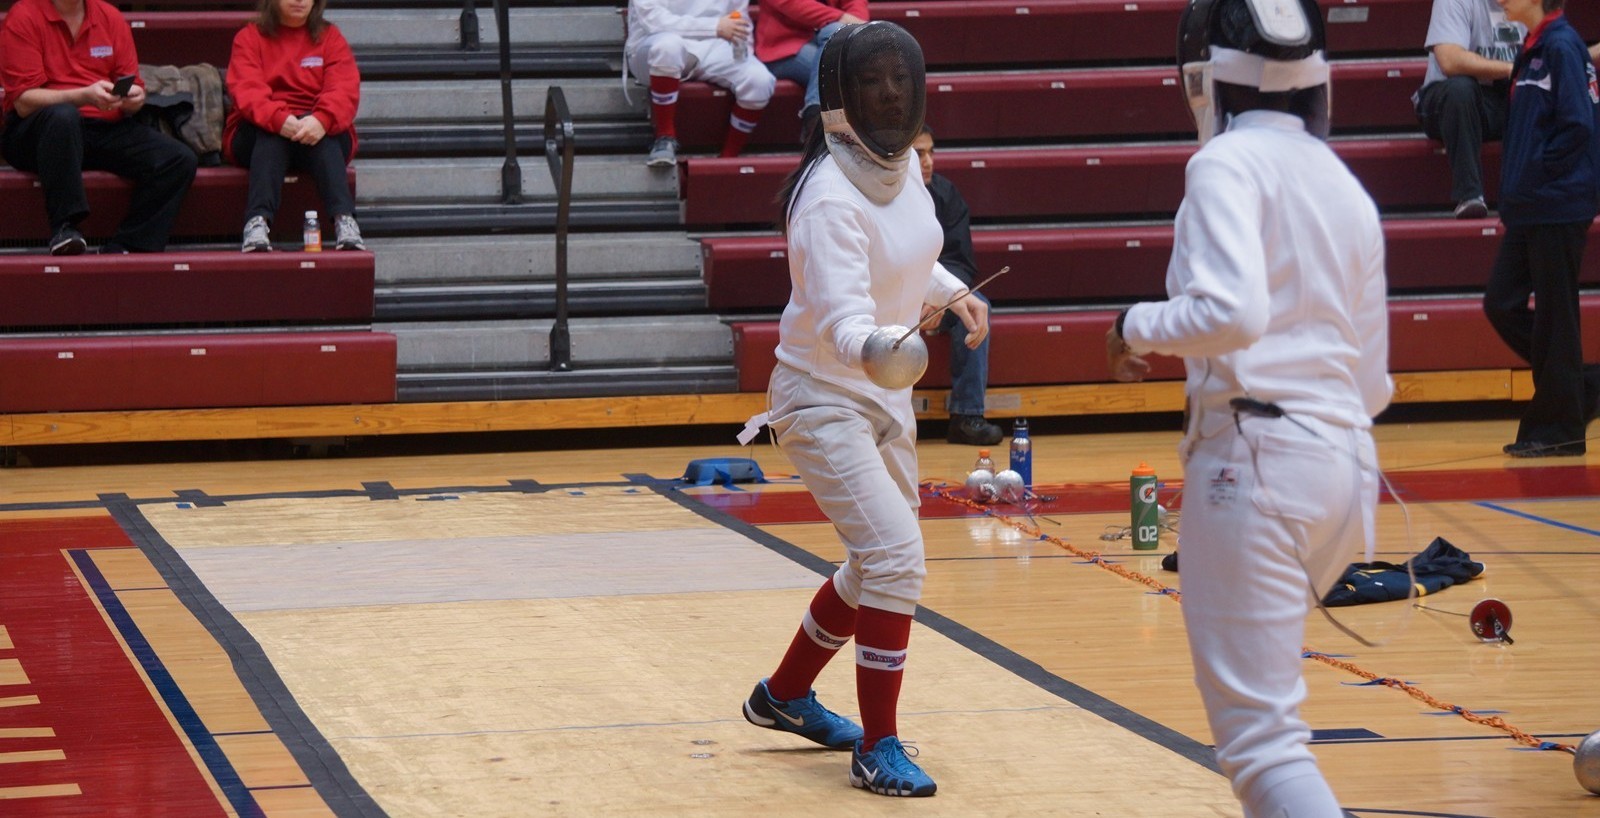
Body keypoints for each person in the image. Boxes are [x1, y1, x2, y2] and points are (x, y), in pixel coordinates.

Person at [1106, 0, 1390, 814]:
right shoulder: (1344, 182)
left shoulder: (1225, 164)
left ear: (1205, 76)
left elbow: (1232, 313)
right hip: (1347, 475)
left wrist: (1134, 327)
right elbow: (1371, 379)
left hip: (1259, 466)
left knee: (1263, 746)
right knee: (1273, 728)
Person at [740, 21, 987, 798]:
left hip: (885, 396)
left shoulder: (901, 167)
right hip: (822, 398)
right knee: (896, 559)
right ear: (841, 100)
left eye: (898, 79)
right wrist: (887, 345)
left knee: (871, 563)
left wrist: (950, 293)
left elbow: (912, 251)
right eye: (873, 82)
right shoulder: (825, 199)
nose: (890, 93)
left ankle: (781, 697)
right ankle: (877, 746)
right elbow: (846, 321)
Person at [1481, 0, 1600, 457]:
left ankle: (1560, 430)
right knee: (1501, 303)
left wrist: (1535, 173)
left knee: (1556, 316)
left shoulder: (1563, 47)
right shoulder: (1533, 48)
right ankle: (1579, 386)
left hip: (1557, 202)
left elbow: (1578, 127)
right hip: (1532, 205)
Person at [0, 0, 198, 255]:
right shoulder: (24, 16)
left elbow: (132, 85)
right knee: (63, 117)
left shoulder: (109, 17)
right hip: (35, 131)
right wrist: (83, 95)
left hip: (100, 125)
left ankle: (128, 245)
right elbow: (24, 102)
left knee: (178, 160)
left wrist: (134, 99)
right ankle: (65, 227)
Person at [225, 0, 364, 252]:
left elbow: (344, 87)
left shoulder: (330, 37)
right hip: (259, 130)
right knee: (272, 137)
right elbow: (247, 90)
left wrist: (322, 119)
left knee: (327, 137)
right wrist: (279, 119)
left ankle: (345, 221)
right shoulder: (249, 37)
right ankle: (257, 223)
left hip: (315, 128)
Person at [910, 124, 1003, 446]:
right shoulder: (878, 198)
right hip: (893, 297)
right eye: (919, 153)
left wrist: (939, 298)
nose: (929, 161)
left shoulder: (946, 194)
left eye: (931, 152)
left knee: (979, 307)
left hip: (938, 298)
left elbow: (961, 261)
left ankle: (967, 415)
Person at [625, 0, 776, 167]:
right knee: (668, 47)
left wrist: (741, 51)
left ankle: (728, 159)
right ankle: (664, 137)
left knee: (760, 80)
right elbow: (653, 21)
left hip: (714, 43)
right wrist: (714, 27)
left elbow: (739, 20)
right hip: (653, 43)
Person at [1413, 0, 1522, 219]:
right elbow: (1449, 60)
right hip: (1449, 97)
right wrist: (1513, 68)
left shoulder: (1531, 4)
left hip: (1502, 97)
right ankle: (1470, 195)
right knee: (1461, 88)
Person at [754, 0, 866, 140]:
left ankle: (814, 117)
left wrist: (854, 23)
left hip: (832, 37)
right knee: (839, 68)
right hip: (785, 46)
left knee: (838, 52)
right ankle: (817, 126)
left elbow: (855, 3)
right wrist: (841, 19)